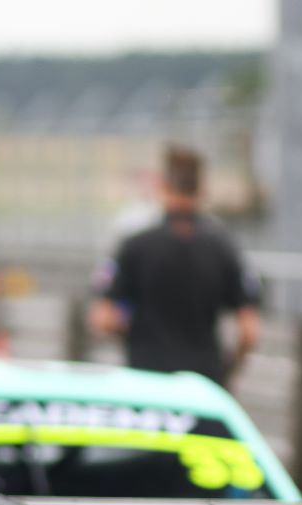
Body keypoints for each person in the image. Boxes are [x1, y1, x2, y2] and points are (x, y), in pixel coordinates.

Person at [88, 144, 262, 387]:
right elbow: (249, 332)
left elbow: (102, 319)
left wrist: (135, 338)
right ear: (202, 189)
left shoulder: (135, 245)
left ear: (163, 186)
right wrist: (227, 373)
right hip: (203, 384)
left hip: (147, 380)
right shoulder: (224, 248)